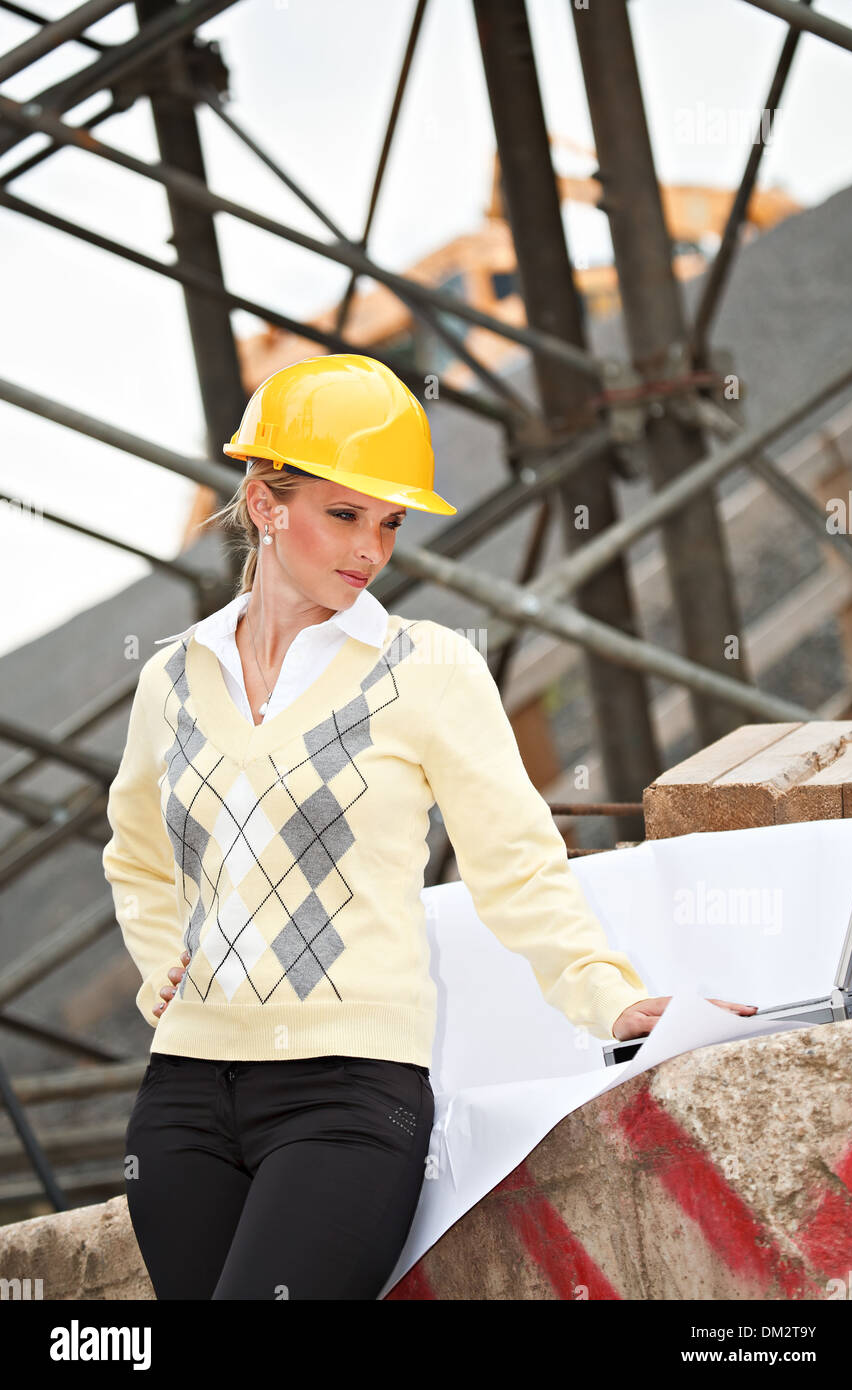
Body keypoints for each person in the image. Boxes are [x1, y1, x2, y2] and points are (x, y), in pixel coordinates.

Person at [104, 353, 755, 1300]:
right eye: (344, 513)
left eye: (390, 523)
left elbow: (515, 860)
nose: (371, 549)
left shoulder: (428, 668)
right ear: (265, 503)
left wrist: (602, 995)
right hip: (183, 1101)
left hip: (348, 1095)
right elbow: (137, 851)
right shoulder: (172, 677)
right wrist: (160, 960)